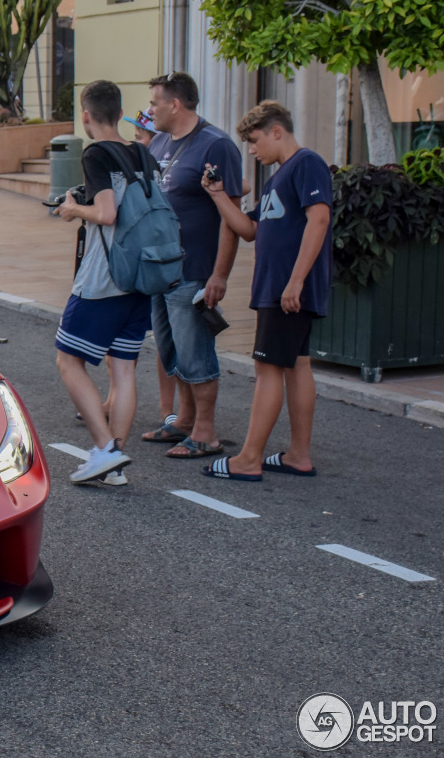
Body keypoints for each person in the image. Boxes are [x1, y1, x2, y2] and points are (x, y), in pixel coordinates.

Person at [199, 101, 332, 481]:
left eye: (255, 142)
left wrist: (295, 280)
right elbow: (249, 228)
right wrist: (218, 194)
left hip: (285, 289)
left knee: (268, 367)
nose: (252, 151)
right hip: (279, 287)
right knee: (296, 364)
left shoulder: (306, 163)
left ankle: (248, 459)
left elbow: (319, 219)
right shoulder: (278, 179)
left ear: (277, 131)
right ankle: (298, 455)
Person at [54, 80, 162, 485]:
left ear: (86, 116)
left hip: (105, 276)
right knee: (124, 371)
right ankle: (114, 458)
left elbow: (106, 213)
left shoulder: (97, 153)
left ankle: (105, 449)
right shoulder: (144, 154)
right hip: (142, 276)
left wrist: (72, 209)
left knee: (68, 359)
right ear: (120, 113)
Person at [141, 72, 244, 459]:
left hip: (194, 268)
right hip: (160, 269)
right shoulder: (161, 142)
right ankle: (183, 421)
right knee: (171, 350)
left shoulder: (216, 146)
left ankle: (206, 432)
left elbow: (231, 217)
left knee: (195, 351)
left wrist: (219, 275)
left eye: (154, 102)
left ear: (175, 104)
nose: (150, 110)